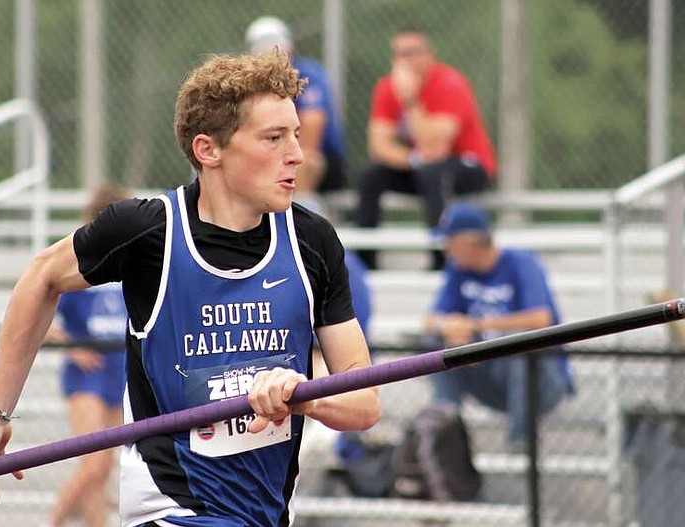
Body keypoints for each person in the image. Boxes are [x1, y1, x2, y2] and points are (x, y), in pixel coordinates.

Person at [0, 50, 380, 527]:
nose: (297, 155)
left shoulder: (312, 242)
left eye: (297, 136)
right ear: (209, 150)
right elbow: (41, 276)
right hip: (170, 513)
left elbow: (364, 405)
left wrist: (306, 396)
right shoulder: (147, 232)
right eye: (273, 138)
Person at [422, 202, 574, 451]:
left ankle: (520, 441)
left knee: (517, 343)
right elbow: (429, 321)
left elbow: (540, 319)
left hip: (541, 380)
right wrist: (449, 326)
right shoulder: (458, 270)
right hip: (491, 376)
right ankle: (445, 435)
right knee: (436, 342)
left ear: (471, 242)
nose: (446, 250)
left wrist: (475, 326)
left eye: (450, 242)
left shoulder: (521, 262)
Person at [356, 27, 497, 271]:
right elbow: (378, 146)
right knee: (371, 176)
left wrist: (410, 100)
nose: (404, 60)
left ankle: (441, 261)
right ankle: (363, 262)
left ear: (429, 54)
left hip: (468, 164)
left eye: (411, 52)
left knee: (434, 172)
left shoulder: (450, 83)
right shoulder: (387, 88)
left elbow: (436, 146)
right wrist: (412, 159)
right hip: (424, 168)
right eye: (398, 53)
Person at [43, 183, 129, 527]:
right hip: (87, 375)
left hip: (119, 371)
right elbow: (39, 317)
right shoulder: (78, 260)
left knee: (104, 467)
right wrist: (73, 345)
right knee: (93, 464)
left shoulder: (128, 261)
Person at [246, 15, 348, 212]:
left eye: (276, 46)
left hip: (322, 162)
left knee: (303, 160)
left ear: (289, 48)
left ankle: (299, 225)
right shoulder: (249, 82)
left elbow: (310, 134)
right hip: (271, 156)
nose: (271, 53)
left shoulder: (308, 75)